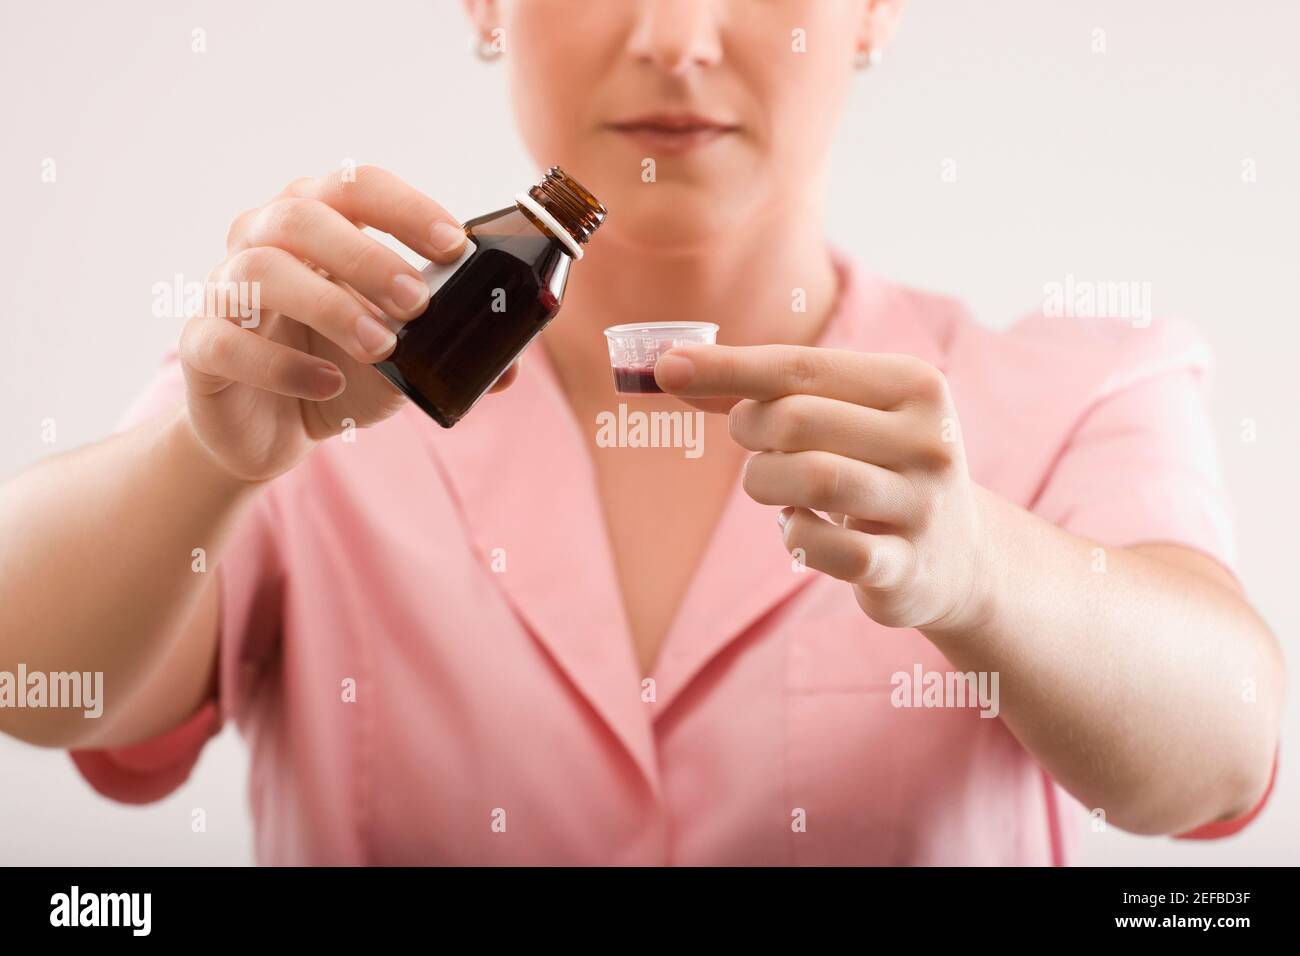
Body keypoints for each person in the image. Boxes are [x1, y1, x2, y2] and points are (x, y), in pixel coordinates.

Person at [0, 0, 1283, 865]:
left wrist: (982, 570)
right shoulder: (314, 375)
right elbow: (26, 676)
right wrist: (198, 465)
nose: (674, 37)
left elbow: (1225, 745)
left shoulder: (1073, 394)